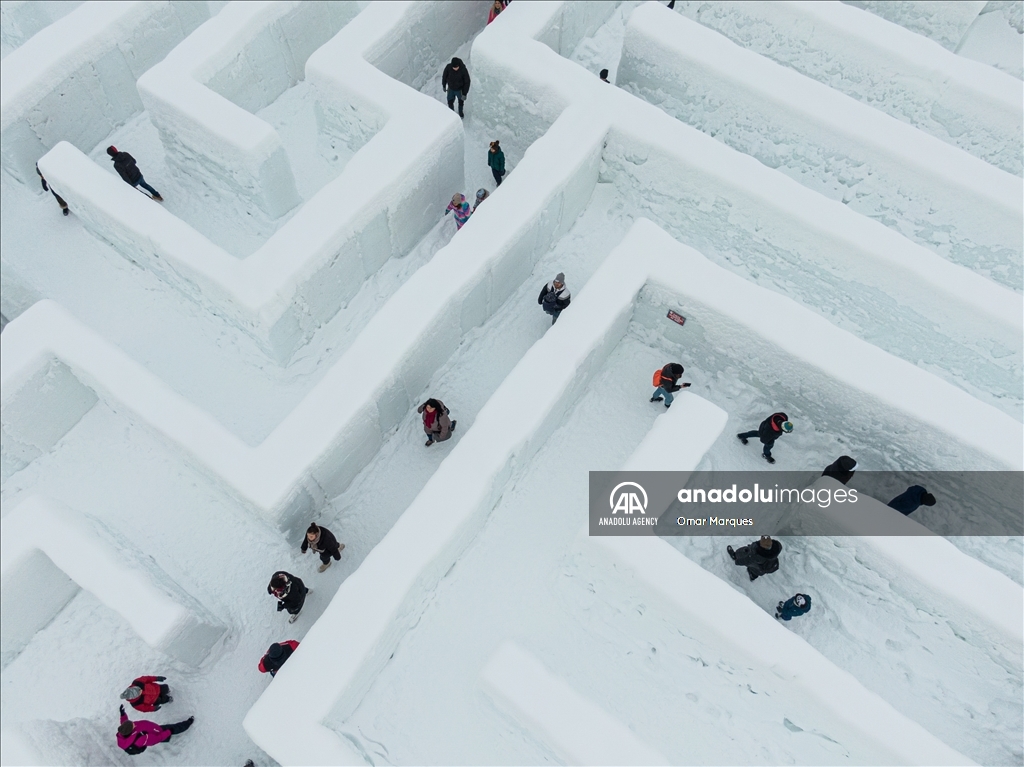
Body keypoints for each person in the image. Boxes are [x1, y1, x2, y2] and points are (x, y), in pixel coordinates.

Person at [117, 705, 193, 755]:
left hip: (151, 729)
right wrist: (169, 732)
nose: (134, 723)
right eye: (133, 725)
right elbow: (157, 738)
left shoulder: (122, 732)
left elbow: (124, 724)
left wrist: (123, 714)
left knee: (170, 729)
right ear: (131, 731)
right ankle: (188, 723)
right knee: (174, 728)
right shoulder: (140, 740)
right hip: (157, 732)